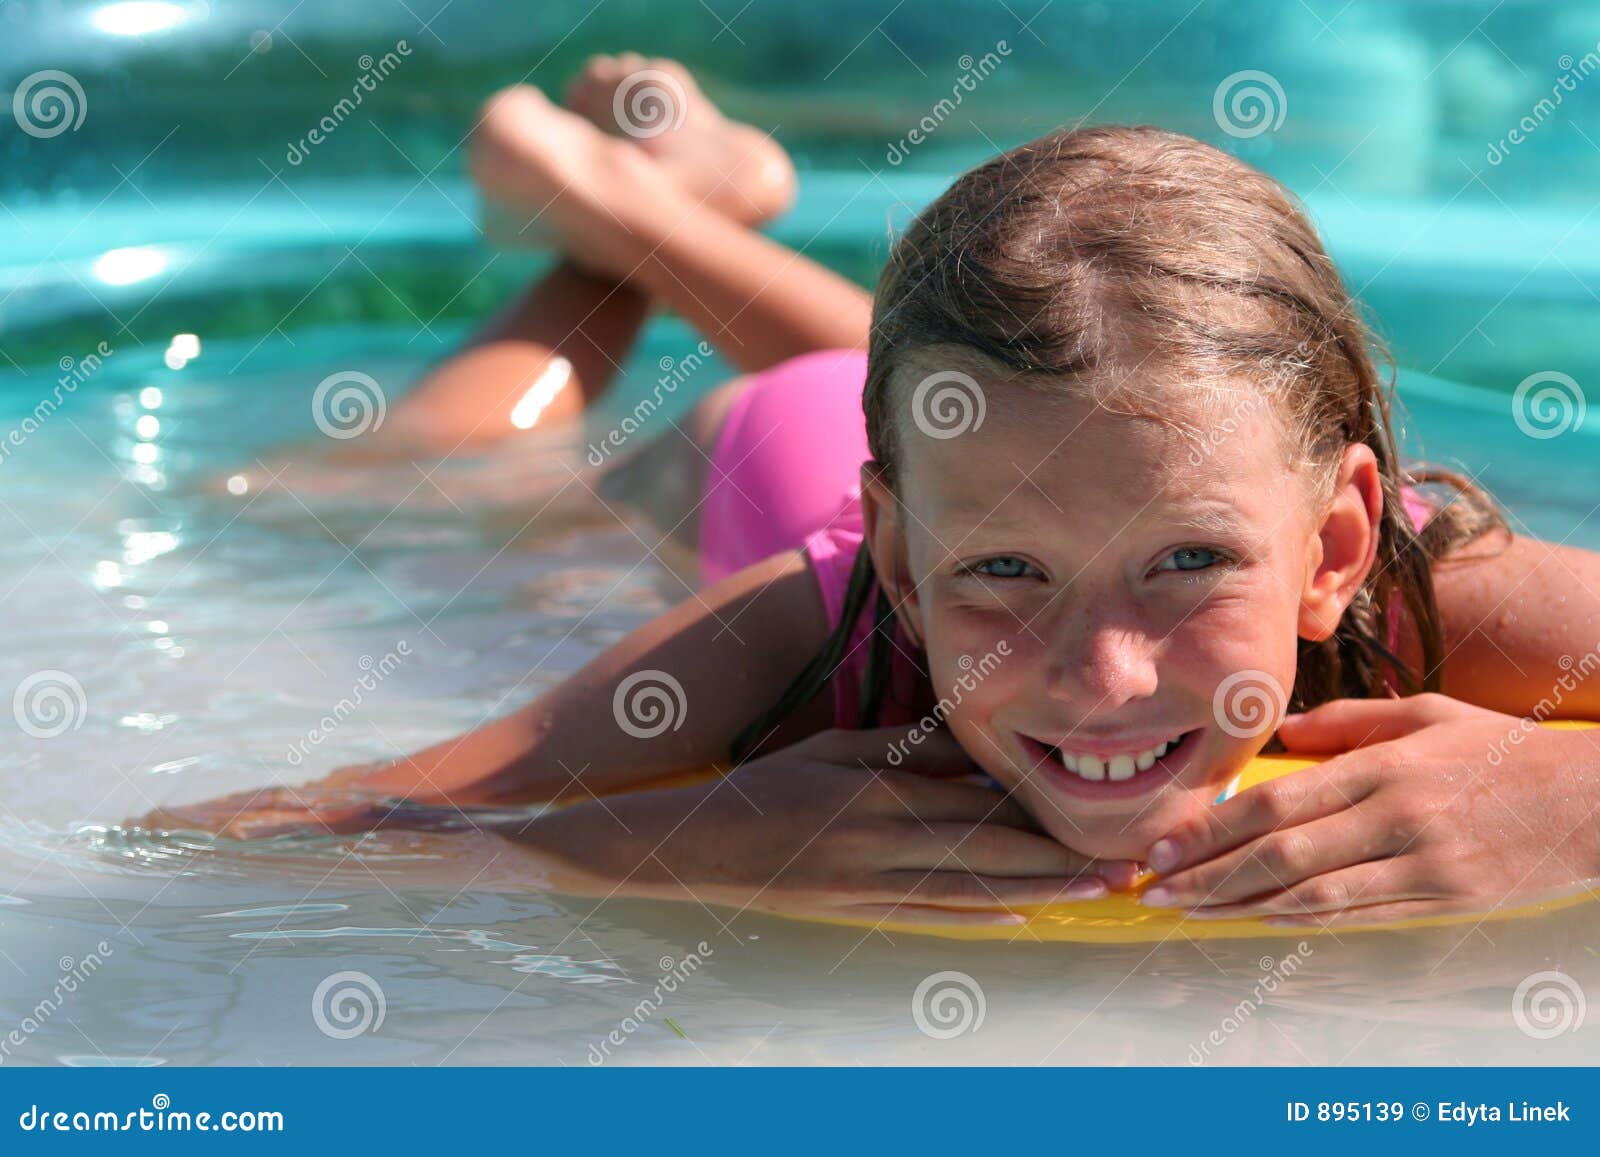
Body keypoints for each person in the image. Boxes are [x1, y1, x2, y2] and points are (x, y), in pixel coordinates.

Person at [161, 56, 1600, 930]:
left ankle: (654, 196)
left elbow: (1025, 462)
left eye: (1190, 561)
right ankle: (595, 247)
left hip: (975, 438)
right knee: (391, 476)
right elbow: (246, 841)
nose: (1104, 678)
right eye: (1004, 578)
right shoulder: (807, 628)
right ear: (904, 564)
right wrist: (678, 840)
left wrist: (1570, 801)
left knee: (975, 393)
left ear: (1337, 543)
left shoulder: (1439, 606)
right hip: (769, 449)